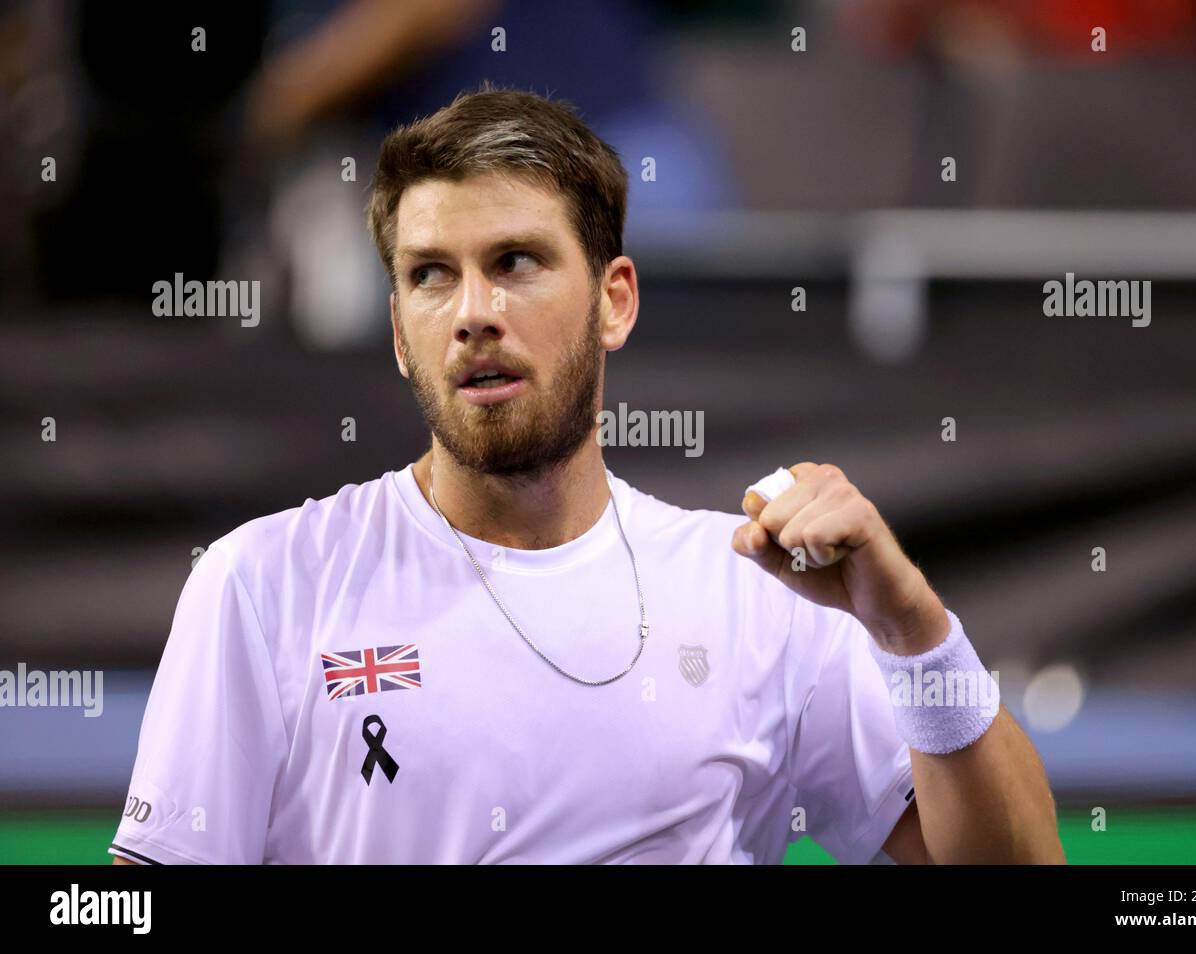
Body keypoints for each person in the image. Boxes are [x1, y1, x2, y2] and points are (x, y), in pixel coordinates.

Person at [110, 86, 1063, 865]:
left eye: (515, 261)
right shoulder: (263, 584)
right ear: (399, 333)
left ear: (615, 301)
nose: (473, 312)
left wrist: (913, 633)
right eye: (431, 275)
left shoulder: (760, 595)